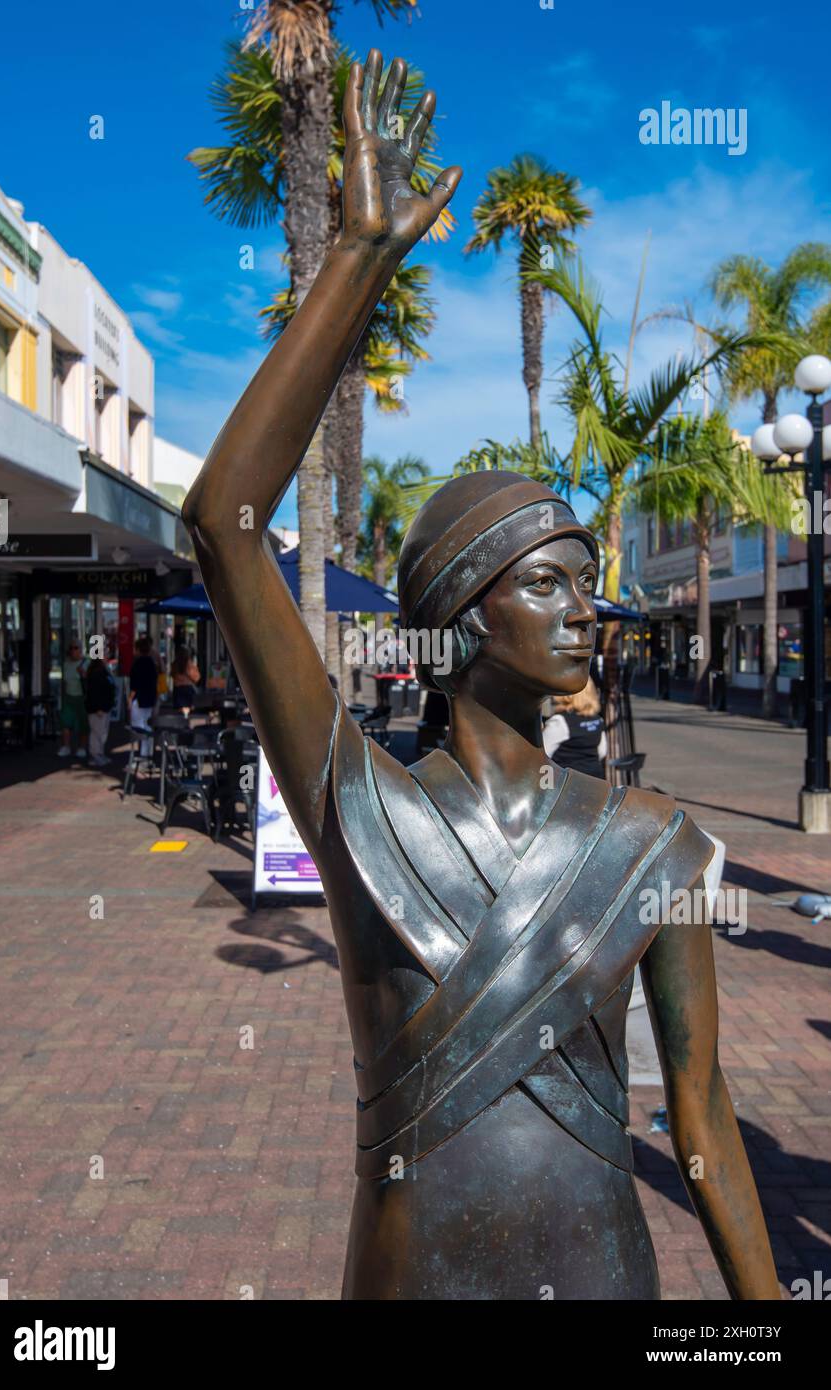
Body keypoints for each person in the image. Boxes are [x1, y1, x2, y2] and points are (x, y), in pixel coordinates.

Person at [181, 49, 779, 1301]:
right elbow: (228, 522)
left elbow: (706, 1128)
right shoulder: (363, 810)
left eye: (586, 583)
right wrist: (358, 260)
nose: (585, 615)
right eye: (546, 584)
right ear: (461, 615)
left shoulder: (657, 845)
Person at [543, 677, 608, 779]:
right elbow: (602, 751)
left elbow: (543, 754)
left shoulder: (560, 721)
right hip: (595, 780)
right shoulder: (598, 720)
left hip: (566, 783)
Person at [129, 635, 157, 757]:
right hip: (150, 697)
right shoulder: (151, 662)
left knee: (138, 726)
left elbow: (135, 684)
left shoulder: (137, 663)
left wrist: (129, 699)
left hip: (139, 698)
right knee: (147, 724)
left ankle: (142, 753)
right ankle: (147, 751)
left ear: (138, 649)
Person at [58, 641, 87, 758]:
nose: (73, 650)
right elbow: (64, 681)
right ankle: (66, 746)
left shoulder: (86, 663)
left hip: (82, 698)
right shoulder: (66, 664)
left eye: (75, 648)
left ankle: (82, 748)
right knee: (65, 723)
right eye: (71, 648)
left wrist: (83, 674)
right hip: (69, 697)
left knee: (83, 724)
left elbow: (89, 680)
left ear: (80, 649)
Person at [85, 657, 115, 766]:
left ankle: (100, 754)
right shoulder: (96, 672)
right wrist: (98, 707)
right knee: (97, 732)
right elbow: (94, 692)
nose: (107, 656)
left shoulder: (104, 669)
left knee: (102, 733)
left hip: (105, 707)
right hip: (98, 709)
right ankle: (95, 755)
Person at [170, 644, 200, 709]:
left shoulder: (175, 663)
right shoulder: (189, 663)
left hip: (177, 688)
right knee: (188, 708)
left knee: (178, 709)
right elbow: (194, 676)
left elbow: (172, 674)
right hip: (188, 688)